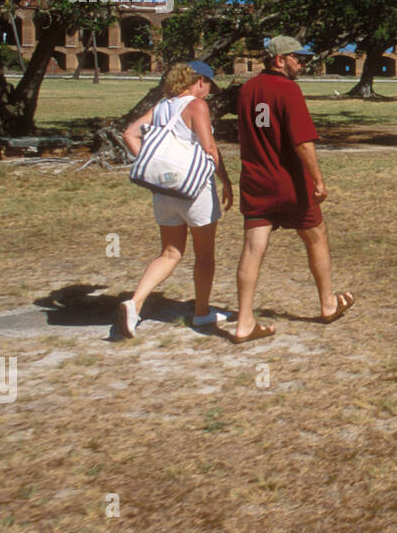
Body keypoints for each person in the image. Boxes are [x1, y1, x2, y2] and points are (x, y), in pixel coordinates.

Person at [232, 36, 353, 344]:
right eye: (296, 57)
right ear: (279, 60)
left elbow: (258, 127)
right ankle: (328, 303)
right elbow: (302, 141)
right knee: (316, 237)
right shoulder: (288, 89)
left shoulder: (247, 89)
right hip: (289, 183)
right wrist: (318, 180)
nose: (302, 62)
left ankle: (244, 322)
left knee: (252, 249)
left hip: (256, 181)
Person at [119, 61, 233, 338]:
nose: (207, 92)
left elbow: (129, 134)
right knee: (204, 255)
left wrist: (155, 168)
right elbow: (210, 148)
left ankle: (134, 303)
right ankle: (202, 312)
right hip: (194, 192)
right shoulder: (196, 106)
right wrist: (225, 180)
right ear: (199, 81)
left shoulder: (160, 107)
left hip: (164, 192)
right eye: (207, 85)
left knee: (170, 252)